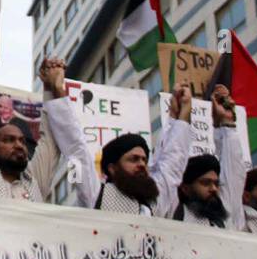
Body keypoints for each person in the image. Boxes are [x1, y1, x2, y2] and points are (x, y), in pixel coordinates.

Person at [49, 83, 195, 216]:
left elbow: (173, 161)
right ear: (112, 168)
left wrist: (178, 117)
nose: (142, 164)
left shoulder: (155, 201)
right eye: (134, 159)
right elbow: (76, 148)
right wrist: (56, 90)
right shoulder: (95, 194)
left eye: (144, 159)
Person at [0, 57, 78, 201]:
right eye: (8, 140)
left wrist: (50, 87)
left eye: (22, 141)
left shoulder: (34, 179)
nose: (19, 145)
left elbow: (50, 139)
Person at [172, 84, 248, 229]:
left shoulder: (226, 213)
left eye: (216, 183)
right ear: (185, 188)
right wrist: (180, 117)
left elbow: (234, 171)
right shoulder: (174, 215)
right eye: (205, 183)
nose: (214, 188)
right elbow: (169, 163)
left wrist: (226, 122)